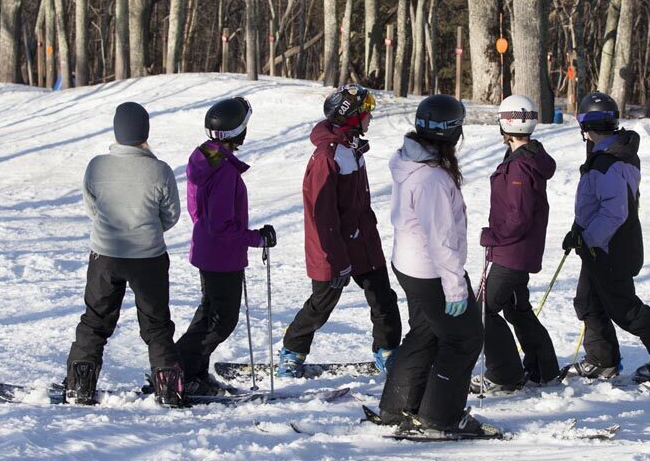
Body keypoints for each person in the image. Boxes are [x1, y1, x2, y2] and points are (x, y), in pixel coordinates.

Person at [377, 95, 492, 437]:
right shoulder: (432, 179)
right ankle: (440, 417)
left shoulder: (410, 160)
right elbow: (440, 239)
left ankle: (397, 406)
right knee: (464, 339)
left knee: (426, 331)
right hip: (430, 270)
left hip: (409, 264)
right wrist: (454, 287)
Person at [564, 92, 650, 384]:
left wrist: (587, 237)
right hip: (600, 246)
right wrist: (578, 230)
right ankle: (602, 360)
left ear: (587, 125)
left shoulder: (607, 162)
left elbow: (615, 212)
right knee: (588, 302)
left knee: (625, 310)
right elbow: (598, 204)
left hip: (611, 249)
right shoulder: (611, 154)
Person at [65, 102, 184, 406]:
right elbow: (171, 216)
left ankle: (80, 385)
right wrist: (146, 229)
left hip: (105, 255)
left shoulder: (97, 166)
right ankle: (168, 388)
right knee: (156, 324)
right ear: (146, 133)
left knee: (95, 320)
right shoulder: (159, 170)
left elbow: (92, 209)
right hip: (149, 258)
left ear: (117, 131)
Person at [278, 84, 402, 377]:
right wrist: (336, 258)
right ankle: (292, 352)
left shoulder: (351, 149)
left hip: (363, 244)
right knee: (321, 304)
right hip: (332, 247)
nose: (370, 116)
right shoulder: (327, 156)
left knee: (383, 300)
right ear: (350, 116)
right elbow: (322, 215)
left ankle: (387, 351)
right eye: (366, 111)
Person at [174, 97, 277, 396]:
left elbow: (198, 212)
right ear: (238, 132)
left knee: (209, 316)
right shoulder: (224, 171)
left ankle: (193, 372)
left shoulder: (205, 158)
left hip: (209, 251)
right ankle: (175, 371)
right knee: (221, 322)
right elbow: (221, 225)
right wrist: (256, 238)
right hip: (222, 256)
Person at [472, 94, 560, 394]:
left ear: (504, 124)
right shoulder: (526, 159)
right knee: (516, 309)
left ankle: (504, 374)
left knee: (482, 312)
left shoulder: (520, 166)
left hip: (512, 251)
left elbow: (518, 217)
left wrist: (492, 236)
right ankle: (543, 368)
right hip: (518, 250)